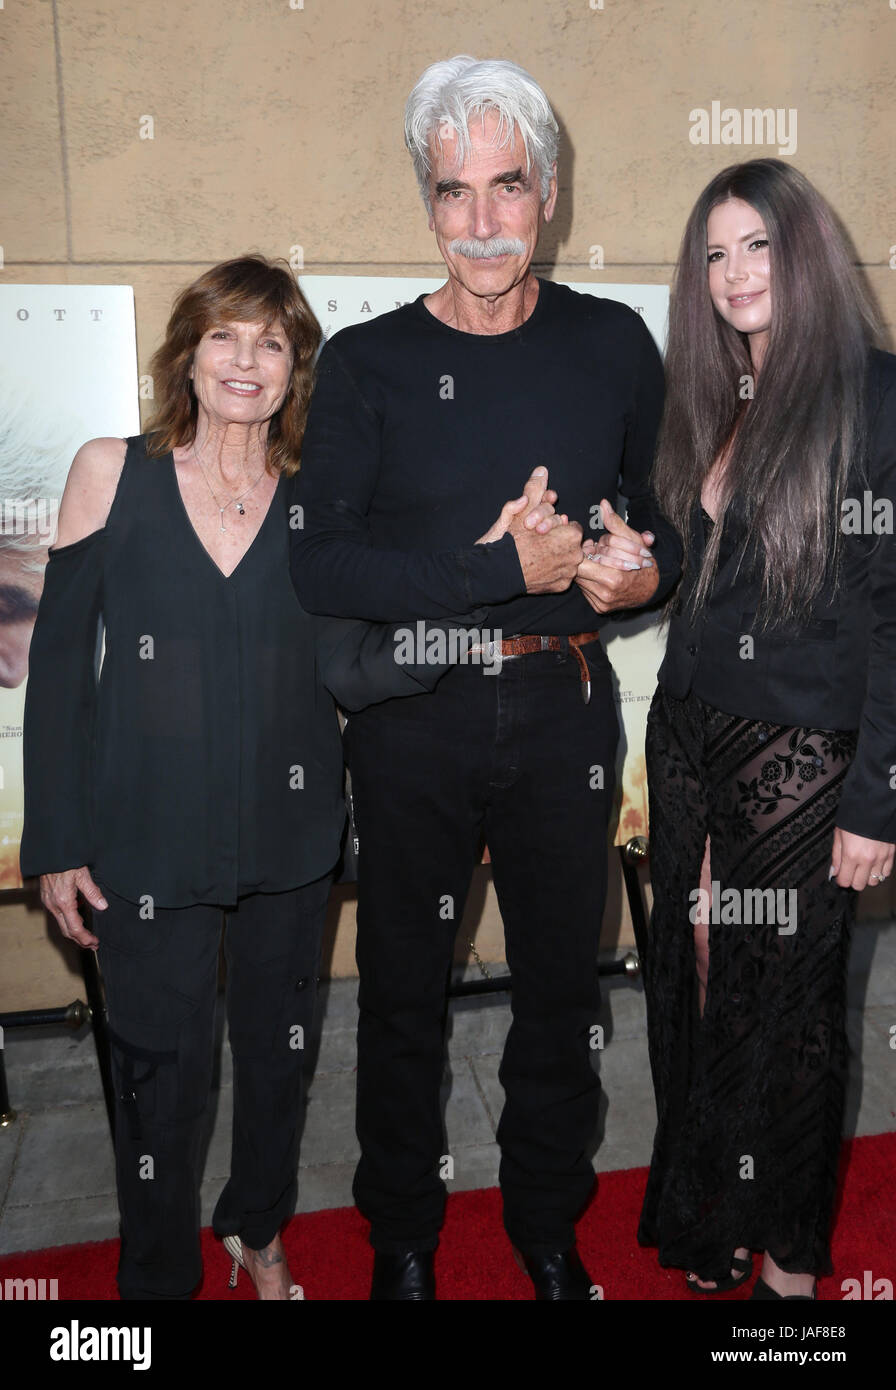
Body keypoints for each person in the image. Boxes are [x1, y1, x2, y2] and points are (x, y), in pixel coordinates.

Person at [19, 252, 563, 1301]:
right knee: (158, 1086)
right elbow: (56, 682)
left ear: (294, 370)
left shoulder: (319, 506)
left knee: (277, 1063)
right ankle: (155, 1281)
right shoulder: (110, 472)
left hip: (292, 836)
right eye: (224, 335)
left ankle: (256, 1228)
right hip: (144, 842)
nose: (245, 360)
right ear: (187, 353)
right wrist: (56, 842)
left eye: (271, 342)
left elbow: (359, 661)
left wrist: (483, 572)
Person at [289, 55, 681, 1300]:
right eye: (452, 193)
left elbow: (667, 527)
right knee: (402, 990)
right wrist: (491, 569)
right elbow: (321, 564)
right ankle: (402, 1236)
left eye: (505, 187)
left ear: (548, 191)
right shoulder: (363, 365)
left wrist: (640, 574)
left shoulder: (613, 344)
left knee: (561, 990)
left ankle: (547, 1228)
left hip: (564, 701)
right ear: (425, 203)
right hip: (415, 714)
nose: (481, 224)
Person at [629, 159, 896, 1299]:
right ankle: (710, 1211)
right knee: (693, 969)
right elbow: (689, 574)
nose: (734, 274)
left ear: (806, 254)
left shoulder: (875, 394)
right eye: (714, 254)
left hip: (800, 758)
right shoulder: (711, 394)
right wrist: (625, 558)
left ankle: (789, 1253)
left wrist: (876, 798)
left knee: (787, 1005)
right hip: (687, 732)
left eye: (757, 247)